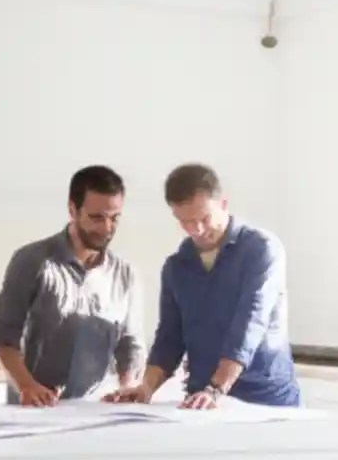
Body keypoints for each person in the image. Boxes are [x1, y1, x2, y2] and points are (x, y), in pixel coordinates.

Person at [107, 163, 300, 409]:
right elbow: (169, 337)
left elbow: (251, 322)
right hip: (201, 400)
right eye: (185, 222)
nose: (196, 230)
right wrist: (146, 387)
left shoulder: (261, 250)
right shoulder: (177, 267)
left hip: (265, 397)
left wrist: (217, 388)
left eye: (204, 218)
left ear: (224, 204)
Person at [0, 165, 144, 406]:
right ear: (72, 209)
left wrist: (128, 386)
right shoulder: (32, 262)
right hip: (35, 411)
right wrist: (27, 387)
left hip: (97, 413)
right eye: (96, 218)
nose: (106, 229)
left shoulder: (125, 274)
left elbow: (130, 346)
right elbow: (3, 341)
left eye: (114, 218)